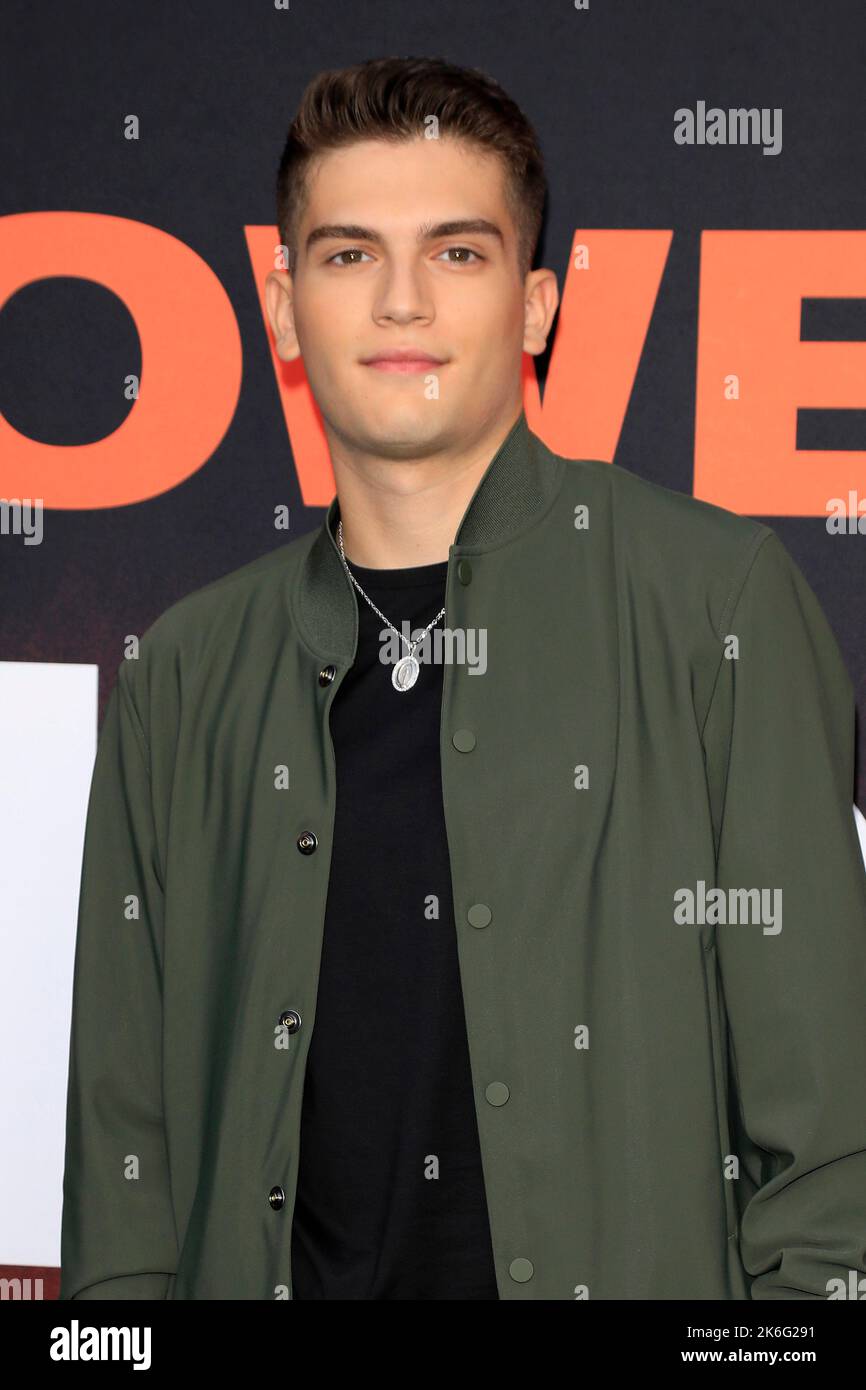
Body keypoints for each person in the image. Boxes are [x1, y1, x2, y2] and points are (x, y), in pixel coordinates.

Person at [60, 55, 866, 1301]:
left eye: (454, 252)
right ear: (279, 310)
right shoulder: (182, 673)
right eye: (345, 255)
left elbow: (830, 1160)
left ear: (536, 305)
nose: (398, 304)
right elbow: (125, 1174)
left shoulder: (714, 607)